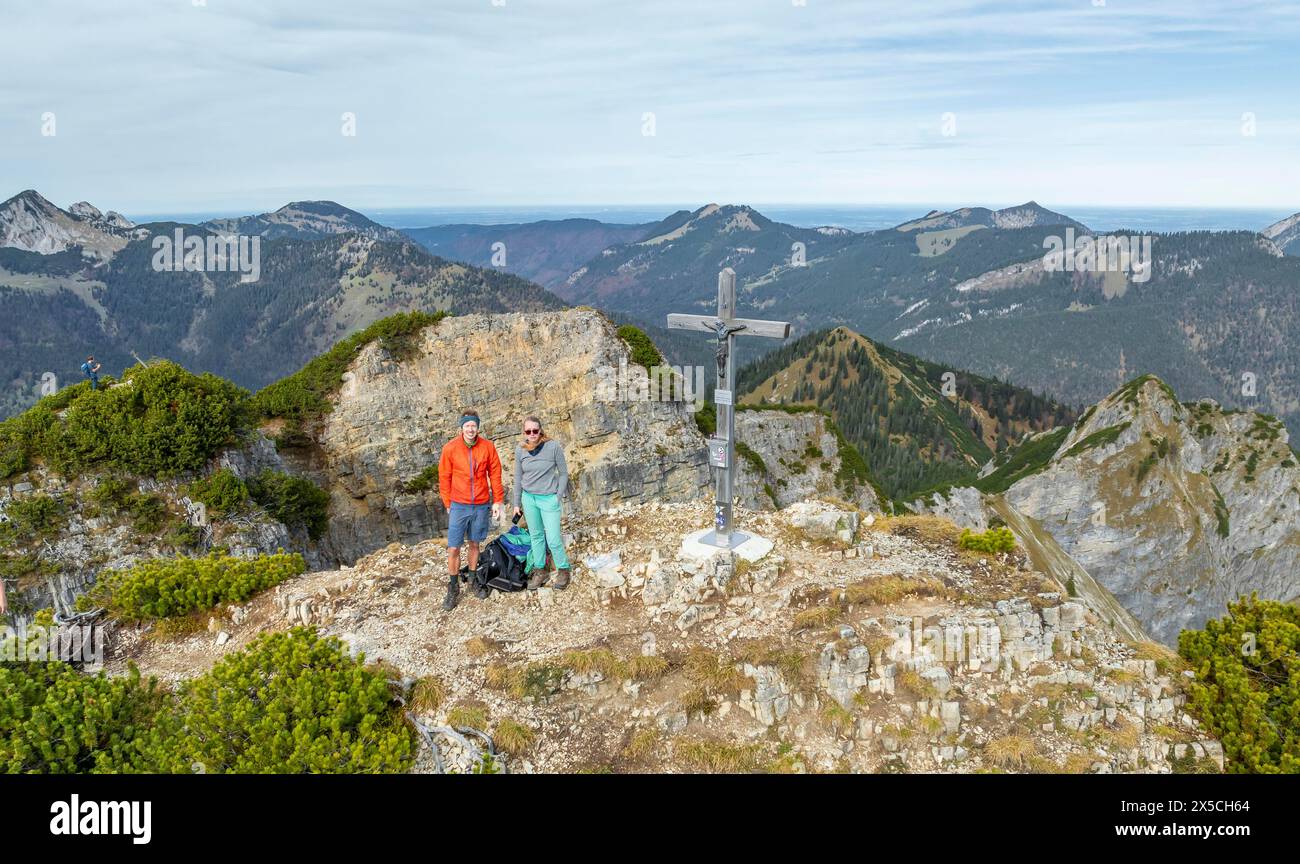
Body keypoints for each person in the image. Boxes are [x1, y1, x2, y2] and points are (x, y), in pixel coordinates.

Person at [438, 409, 503, 610]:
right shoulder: (450, 448)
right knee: (454, 547)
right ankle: (453, 587)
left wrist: (497, 501)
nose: (470, 429)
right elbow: (444, 477)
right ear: (462, 427)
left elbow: (495, 473)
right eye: (467, 426)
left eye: (473, 425)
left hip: (481, 504)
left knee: (475, 544)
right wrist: (448, 503)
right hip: (459, 504)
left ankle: (473, 580)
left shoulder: (488, 447)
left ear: (477, 427)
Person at [511, 415, 572, 591]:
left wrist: (558, 496)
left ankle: (563, 568)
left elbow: (563, 473)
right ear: (524, 432)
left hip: (548, 499)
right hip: (529, 499)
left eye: (535, 431)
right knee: (536, 536)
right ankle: (540, 570)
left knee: (553, 539)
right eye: (528, 431)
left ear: (540, 430)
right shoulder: (520, 449)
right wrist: (517, 503)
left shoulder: (553, 447)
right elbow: (518, 478)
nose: (532, 434)